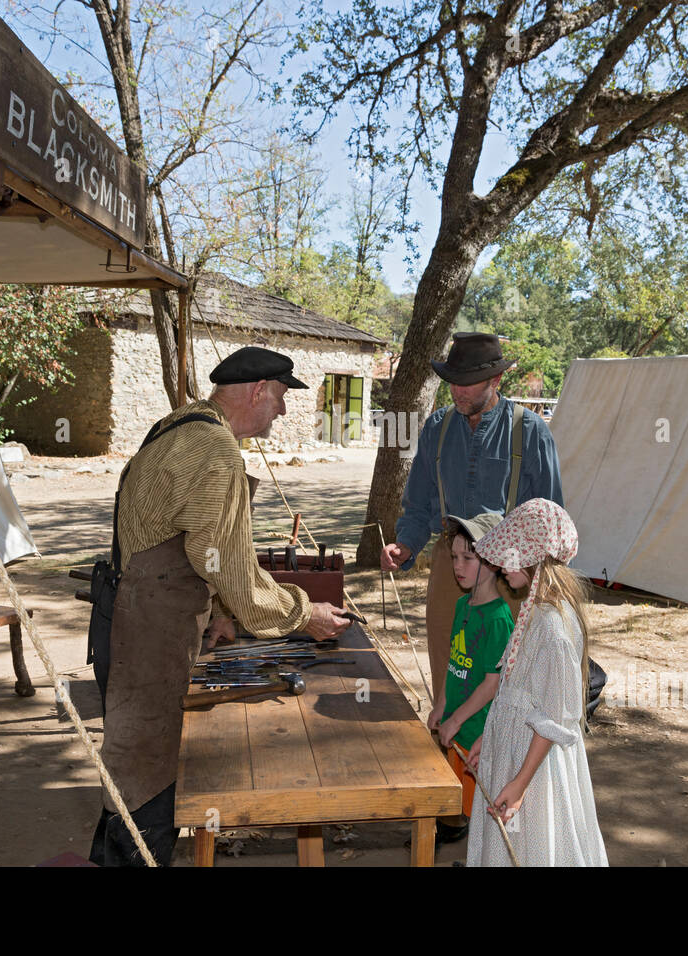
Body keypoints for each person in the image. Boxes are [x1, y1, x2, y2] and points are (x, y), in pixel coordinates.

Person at [89, 346, 351, 867]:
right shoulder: (215, 450)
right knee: (148, 775)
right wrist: (303, 613)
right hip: (148, 633)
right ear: (257, 390)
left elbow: (196, 548)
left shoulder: (182, 423)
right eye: (279, 397)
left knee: (131, 765)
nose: (281, 410)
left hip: (131, 615)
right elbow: (232, 569)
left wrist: (217, 614)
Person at [381, 332, 564, 701]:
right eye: (453, 383)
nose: (458, 392)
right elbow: (418, 505)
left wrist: (535, 578)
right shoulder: (437, 427)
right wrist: (405, 545)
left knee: (507, 680)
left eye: (468, 384)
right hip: (452, 563)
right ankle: (449, 750)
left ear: (496, 380)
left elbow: (550, 518)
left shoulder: (530, 431)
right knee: (449, 669)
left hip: (511, 571)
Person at [465, 498, 608, 867]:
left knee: (536, 847)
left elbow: (554, 715)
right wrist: (489, 737)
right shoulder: (534, 612)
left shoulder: (552, 627)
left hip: (535, 767)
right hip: (512, 750)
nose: (498, 566)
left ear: (533, 556)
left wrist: (520, 784)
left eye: (508, 556)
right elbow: (516, 690)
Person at [426, 512, 514, 848]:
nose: (457, 566)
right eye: (454, 558)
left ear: (493, 562)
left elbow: (491, 683)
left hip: (479, 736)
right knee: (463, 807)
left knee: (485, 816)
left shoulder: (497, 620)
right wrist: (442, 706)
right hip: (457, 727)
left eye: (468, 558)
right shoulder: (463, 604)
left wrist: (458, 719)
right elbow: (455, 663)